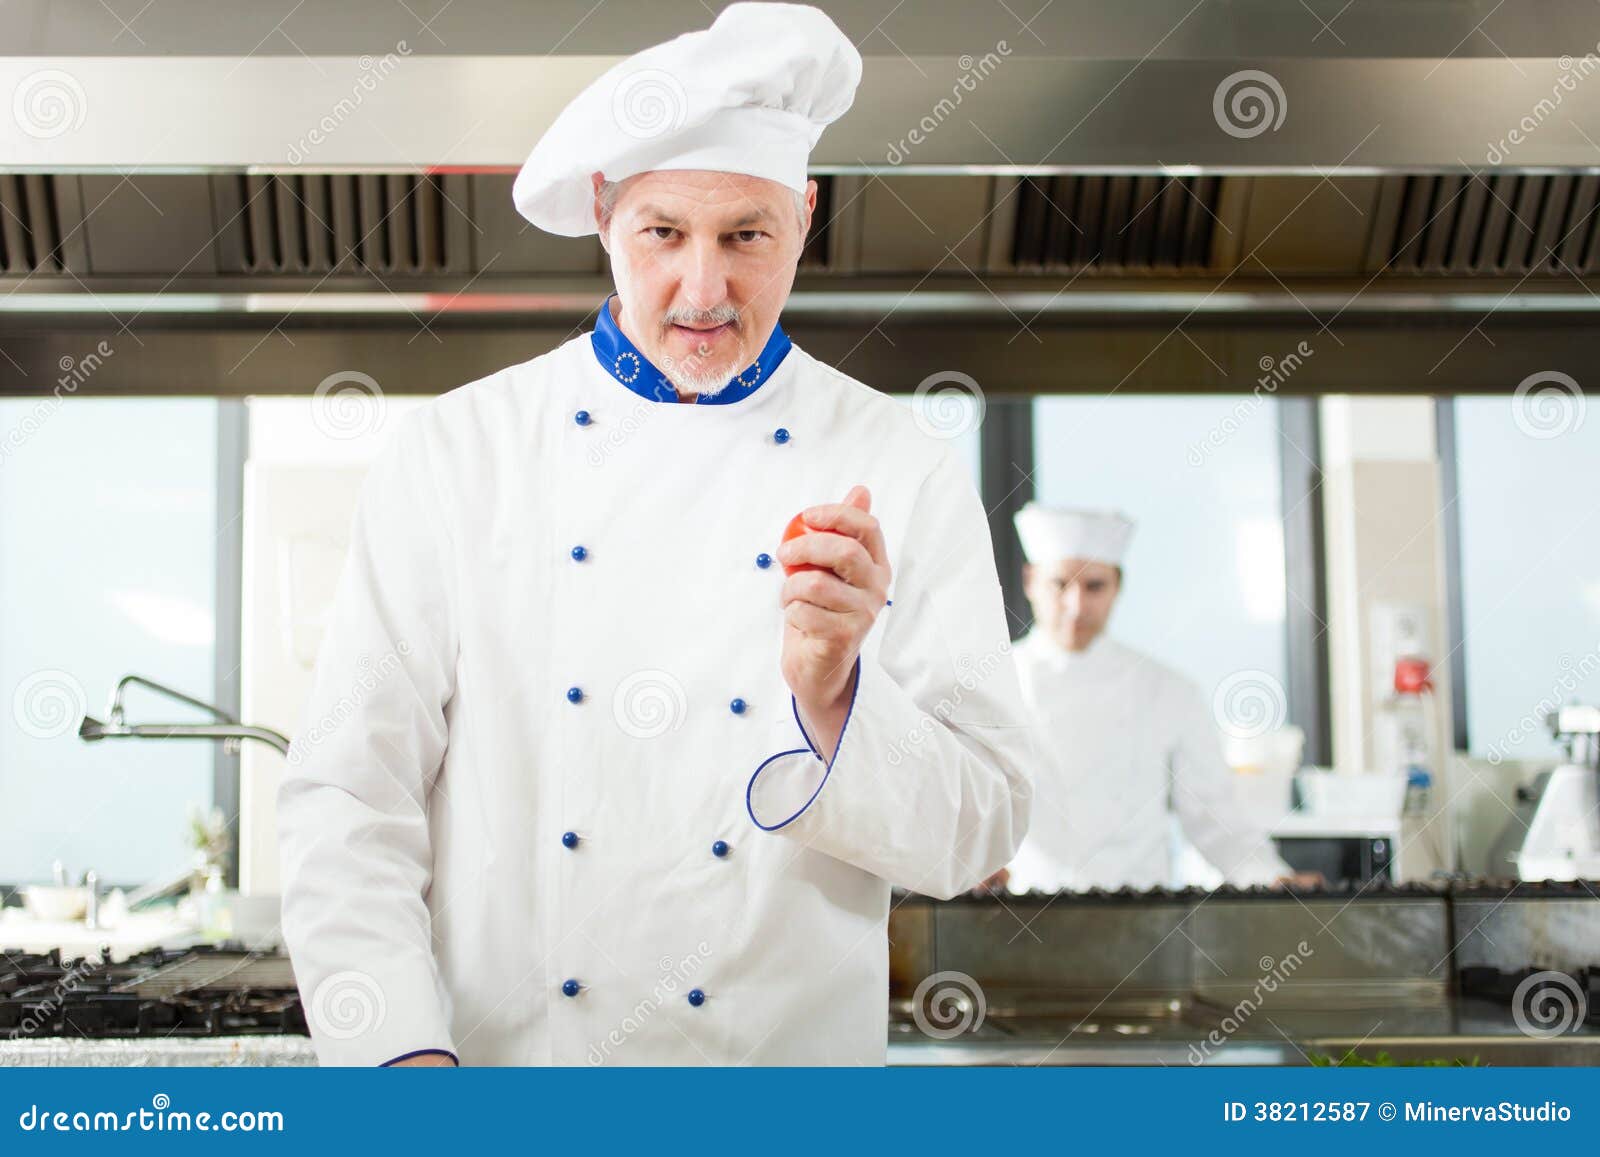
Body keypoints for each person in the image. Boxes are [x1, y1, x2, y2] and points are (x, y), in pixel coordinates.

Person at [276, 3, 1034, 1067]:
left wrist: (835, 698)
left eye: (747, 236)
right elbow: (350, 792)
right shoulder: (458, 453)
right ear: (602, 211)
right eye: (664, 234)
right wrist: (400, 1059)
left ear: (806, 215)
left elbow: (981, 828)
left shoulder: (898, 465)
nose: (704, 290)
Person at [994, 502, 1310, 894]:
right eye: (1060, 584)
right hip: (1024, 911)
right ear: (1030, 581)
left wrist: (1273, 879)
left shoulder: (1168, 691)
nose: (1076, 606)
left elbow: (1214, 818)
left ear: (1118, 587)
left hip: (1142, 912)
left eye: (1094, 586)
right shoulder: (992, 685)